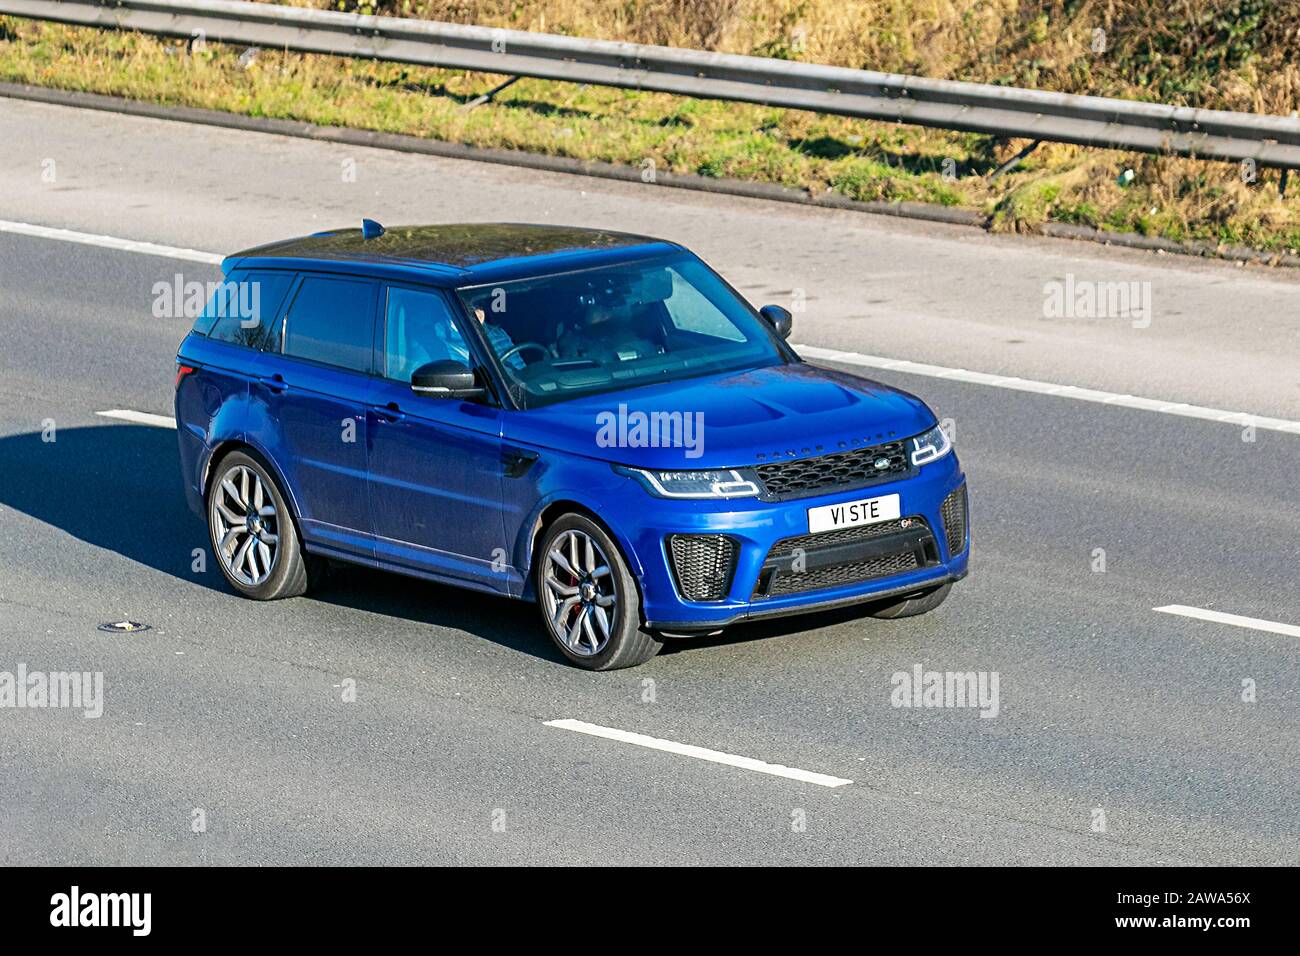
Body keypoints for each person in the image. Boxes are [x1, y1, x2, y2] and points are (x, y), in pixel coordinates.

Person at [473, 306, 526, 371]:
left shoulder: (498, 333)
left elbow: (519, 365)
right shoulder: (462, 342)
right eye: (471, 308)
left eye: (479, 307)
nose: (478, 312)